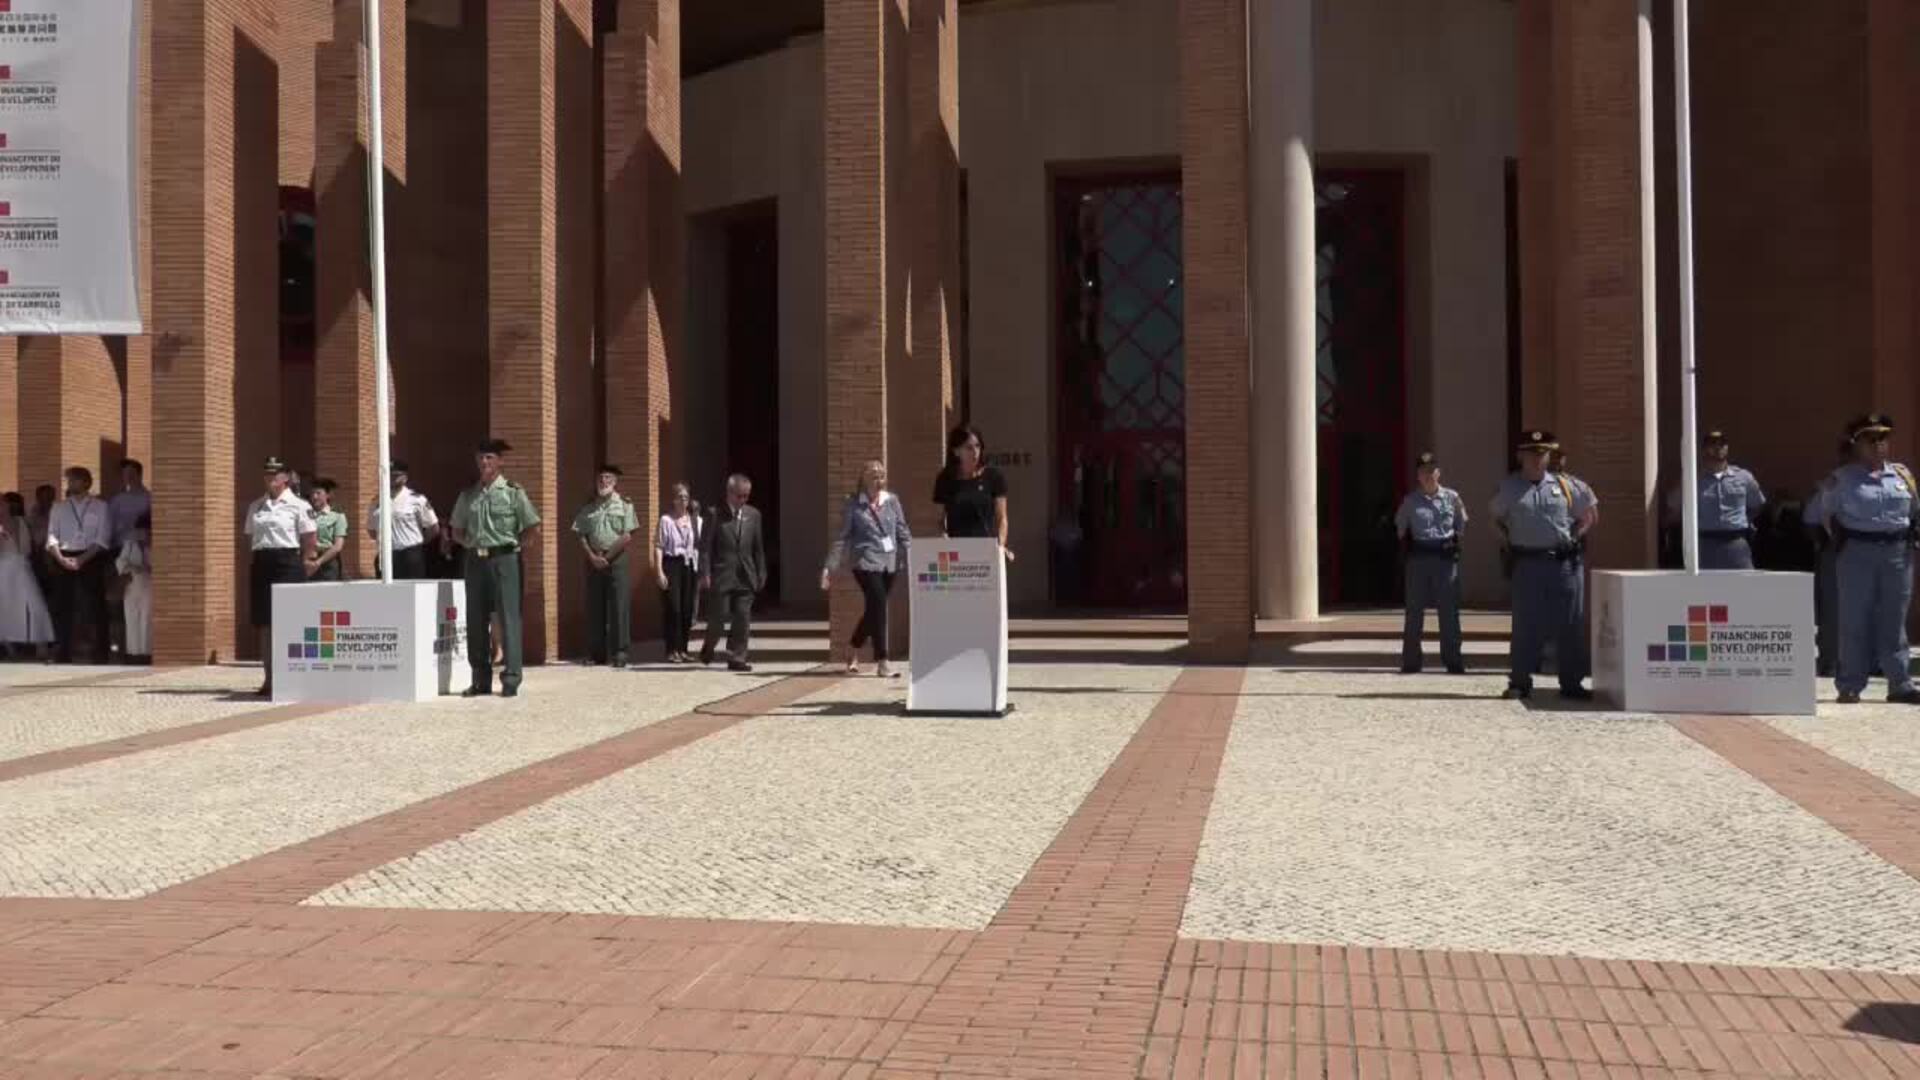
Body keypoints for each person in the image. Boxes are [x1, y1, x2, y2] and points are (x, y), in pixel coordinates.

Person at [1819, 413, 1919, 704]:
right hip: (1857, 552)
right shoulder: (1842, 479)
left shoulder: (1902, 475)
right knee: (1854, 618)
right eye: (1871, 439)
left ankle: (1900, 684)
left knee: (1894, 618)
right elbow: (1825, 516)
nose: (1878, 445)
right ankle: (1850, 684)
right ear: (1857, 443)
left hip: (1897, 553)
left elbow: (1914, 512)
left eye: (1883, 438)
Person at [1491, 430, 1597, 701]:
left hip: (1563, 564)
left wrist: (1575, 537)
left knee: (1570, 624)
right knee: (1526, 625)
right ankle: (1520, 681)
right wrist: (1509, 542)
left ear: (1549, 456)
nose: (1537, 460)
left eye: (1542, 454)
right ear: (1520, 456)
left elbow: (1589, 515)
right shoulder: (1509, 488)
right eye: (1531, 454)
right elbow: (1496, 519)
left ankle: (1572, 682)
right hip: (1527, 563)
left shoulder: (1567, 486)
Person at [450, 438, 541, 697]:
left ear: (500, 461)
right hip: (475, 561)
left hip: (505, 560)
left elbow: (532, 525)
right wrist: (468, 542)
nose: (484, 462)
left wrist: (516, 547)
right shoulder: (468, 495)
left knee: (508, 618)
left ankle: (511, 679)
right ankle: (480, 679)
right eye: (480, 458)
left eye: (489, 457)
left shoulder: (513, 492)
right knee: (475, 619)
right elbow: (456, 528)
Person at [822, 460, 913, 677]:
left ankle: (852, 648)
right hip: (864, 561)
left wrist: (914, 555)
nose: (878, 478)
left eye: (881, 474)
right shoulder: (853, 504)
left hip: (890, 562)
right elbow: (842, 538)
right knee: (879, 606)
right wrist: (829, 567)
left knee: (874, 609)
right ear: (863, 478)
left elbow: (902, 532)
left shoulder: (892, 501)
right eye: (873, 474)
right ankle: (883, 660)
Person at [244, 457, 318, 695]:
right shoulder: (256, 506)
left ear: (286, 477)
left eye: (275, 474)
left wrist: (308, 561)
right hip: (263, 562)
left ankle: (294, 678)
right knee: (265, 623)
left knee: (290, 621)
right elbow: (250, 537)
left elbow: (309, 538)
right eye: (266, 474)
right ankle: (270, 678)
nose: (270, 478)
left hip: (288, 562)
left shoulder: (299, 505)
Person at [1394, 451, 1467, 675]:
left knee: (1449, 613)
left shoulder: (1453, 498)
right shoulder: (1410, 501)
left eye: (1431, 471)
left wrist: (1450, 544)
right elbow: (1400, 529)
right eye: (1423, 472)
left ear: (1439, 473)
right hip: (1419, 560)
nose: (1428, 476)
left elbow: (1461, 525)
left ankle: (1453, 660)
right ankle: (1411, 661)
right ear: (1418, 475)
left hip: (1444, 560)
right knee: (1414, 612)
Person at [1663, 430, 1765, 570]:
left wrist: (1745, 521)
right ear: (1704, 450)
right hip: (1705, 543)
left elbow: (1757, 505)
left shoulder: (1743, 477)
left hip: (1736, 542)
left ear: (1727, 448)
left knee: (1744, 586)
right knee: (1705, 589)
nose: (1718, 448)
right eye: (1713, 444)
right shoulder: (1692, 479)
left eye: (1722, 444)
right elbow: (1673, 507)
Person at [698, 473, 767, 673]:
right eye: (739, 496)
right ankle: (708, 646)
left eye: (746, 496)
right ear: (729, 493)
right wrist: (705, 572)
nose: (743, 500)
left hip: (746, 575)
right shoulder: (714, 514)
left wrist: (761, 572)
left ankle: (737, 657)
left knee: (743, 618)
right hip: (722, 574)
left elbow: (758, 548)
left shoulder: (753, 515)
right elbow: (705, 547)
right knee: (718, 618)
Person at [573, 464, 639, 667]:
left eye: (608, 478)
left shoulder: (625, 505)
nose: (603, 482)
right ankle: (596, 653)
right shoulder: (589, 507)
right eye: (600, 478)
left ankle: (620, 652)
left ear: (615, 482)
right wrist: (593, 556)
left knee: (619, 605)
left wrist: (608, 557)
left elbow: (628, 535)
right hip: (593, 559)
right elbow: (580, 534)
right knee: (595, 606)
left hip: (616, 559)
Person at [45, 466, 112, 665]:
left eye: (73, 480)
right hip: (63, 556)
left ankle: (100, 652)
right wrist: (61, 558)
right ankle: (62, 651)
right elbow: (51, 536)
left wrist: (82, 559)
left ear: (85, 482)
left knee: (95, 606)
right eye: (68, 480)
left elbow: (103, 538)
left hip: (90, 557)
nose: (69, 484)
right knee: (62, 606)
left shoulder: (100, 506)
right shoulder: (59, 507)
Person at [1805, 438, 1853, 678]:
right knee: (1833, 610)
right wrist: (1828, 542)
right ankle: (1830, 661)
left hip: (1877, 552)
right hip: (1838, 550)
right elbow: (1811, 518)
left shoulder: (1890, 477)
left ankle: (1875, 661)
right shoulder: (1833, 482)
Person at [934, 425, 1012, 555]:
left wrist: (1000, 545)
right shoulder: (945, 479)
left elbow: (1002, 517)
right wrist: (944, 538)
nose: (975, 452)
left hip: (987, 550)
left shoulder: (993, 476)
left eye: (978, 446)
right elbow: (939, 520)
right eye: (969, 448)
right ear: (956, 451)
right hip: (957, 552)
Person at [0, 492, 53, 661]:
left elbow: (29, 547)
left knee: (35, 605)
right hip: (4, 568)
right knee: (5, 608)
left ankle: (41, 644)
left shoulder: (21, 521)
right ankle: (9, 645)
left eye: (2, 503)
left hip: (23, 567)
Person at [369, 459, 439, 579]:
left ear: (405, 478)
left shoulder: (417, 499)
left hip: (410, 556)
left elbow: (433, 528)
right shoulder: (377, 501)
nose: (391, 479)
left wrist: (417, 543)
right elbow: (372, 531)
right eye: (389, 475)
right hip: (386, 555)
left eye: (396, 475)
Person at [654, 483, 699, 663]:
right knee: (674, 608)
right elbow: (658, 546)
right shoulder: (666, 520)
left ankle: (684, 649)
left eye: (686, 497)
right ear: (673, 500)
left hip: (689, 566)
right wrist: (659, 572)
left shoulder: (694, 520)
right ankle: (672, 649)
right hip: (671, 564)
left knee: (687, 608)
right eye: (680, 497)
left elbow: (699, 546)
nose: (683, 500)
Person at [114, 512, 152, 664]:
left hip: (149, 585)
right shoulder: (130, 544)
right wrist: (130, 567)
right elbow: (120, 562)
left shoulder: (156, 545)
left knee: (147, 618)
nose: (142, 534)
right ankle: (132, 653)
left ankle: (146, 652)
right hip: (132, 584)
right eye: (140, 530)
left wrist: (146, 567)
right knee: (131, 618)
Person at [308, 479, 350, 582]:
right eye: (312, 493)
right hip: (308, 559)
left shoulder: (337, 516)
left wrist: (318, 562)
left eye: (318, 493)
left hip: (328, 562)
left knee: (328, 597)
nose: (314, 497)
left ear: (327, 495)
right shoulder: (306, 514)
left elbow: (337, 546)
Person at [108, 459, 151, 549]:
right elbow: (109, 527)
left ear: (140, 474)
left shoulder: (150, 498)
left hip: (143, 548)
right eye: (125, 474)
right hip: (120, 548)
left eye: (131, 473)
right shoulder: (117, 500)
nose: (128, 476)